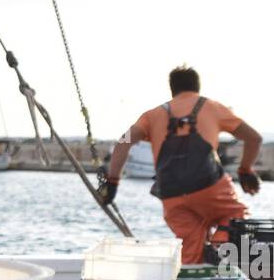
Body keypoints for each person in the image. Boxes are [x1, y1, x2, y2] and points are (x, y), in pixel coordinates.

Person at [100, 65, 263, 264]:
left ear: (172, 89)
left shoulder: (151, 115)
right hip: (210, 188)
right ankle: (219, 248)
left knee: (190, 248)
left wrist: (113, 182)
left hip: (171, 194)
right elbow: (254, 138)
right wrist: (245, 170)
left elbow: (122, 143)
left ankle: (193, 275)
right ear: (197, 86)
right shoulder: (213, 107)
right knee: (235, 215)